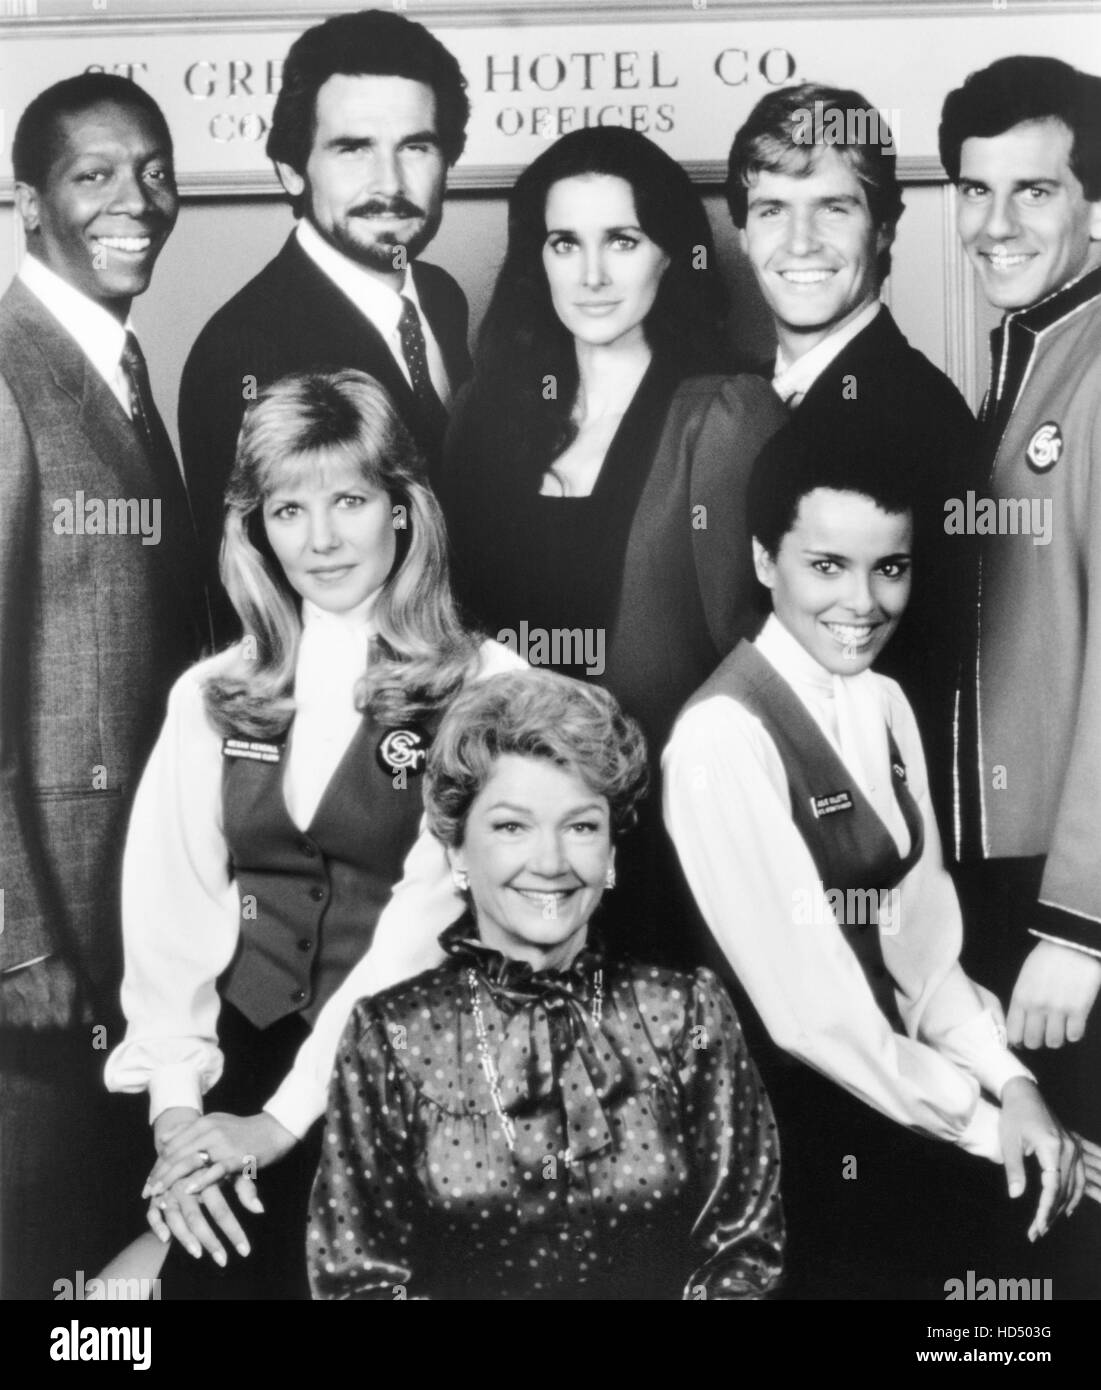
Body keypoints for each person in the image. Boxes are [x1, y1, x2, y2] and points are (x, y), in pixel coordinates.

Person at [105, 369, 521, 1298]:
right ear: (257, 526)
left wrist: (277, 1127)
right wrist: (181, 1127)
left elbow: (420, 931)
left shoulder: (488, 686)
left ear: (403, 511)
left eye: (350, 501)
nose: (322, 539)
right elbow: (171, 916)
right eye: (289, 510)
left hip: (414, 1078)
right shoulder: (213, 693)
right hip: (242, 1062)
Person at [663, 420, 1089, 1299]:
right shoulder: (718, 738)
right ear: (760, 561)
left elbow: (924, 956)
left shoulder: (884, 702)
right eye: (826, 566)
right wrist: (979, 1126)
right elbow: (810, 1016)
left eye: (888, 568)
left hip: (895, 1095)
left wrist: (1013, 1086)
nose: (862, 603)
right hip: (778, 1135)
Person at [307, 668, 785, 1300]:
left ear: (611, 855)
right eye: (512, 826)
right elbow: (355, 1282)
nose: (552, 862)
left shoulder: (685, 1012)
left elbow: (745, 1257)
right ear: (456, 851)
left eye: (581, 826)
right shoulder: (390, 1034)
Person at [435, 127, 786, 965]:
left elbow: (757, 666)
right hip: (509, 843)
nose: (591, 275)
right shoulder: (484, 417)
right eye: (565, 243)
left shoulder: (728, 414)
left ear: (671, 257)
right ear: (537, 258)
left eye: (621, 241)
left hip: (667, 840)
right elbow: (446, 632)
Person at [0, 73, 209, 1299]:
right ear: (28, 203)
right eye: (94, 176)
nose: (136, 202)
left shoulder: (122, 369)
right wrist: (20, 951)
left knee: (98, 1282)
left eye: (154, 171)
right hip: (38, 965)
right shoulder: (13, 375)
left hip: (125, 944)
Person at [940, 54, 1101, 1296]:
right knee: (1018, 1235)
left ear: (1091, 199)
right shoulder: (1029, 352)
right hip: (999, 867)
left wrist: (1078, 923)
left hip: (1066, 891)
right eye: (976, 190)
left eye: (1034, 192)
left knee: (1069, 1240)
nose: (998, 225)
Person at [726, 83, 981, 832]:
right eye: (772, 210)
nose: (798, 243)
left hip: (859, 839)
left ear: (883, 231)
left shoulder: (906, 414)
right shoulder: (756, 401)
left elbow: (907, 680)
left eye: (833, 208)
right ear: (740, 232)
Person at [179, 8, 474, 638]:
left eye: (416, 146)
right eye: (353, 148)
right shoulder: (243, 353)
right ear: (292, 169)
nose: (390, 183)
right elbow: (256, 612)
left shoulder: (442, 300)